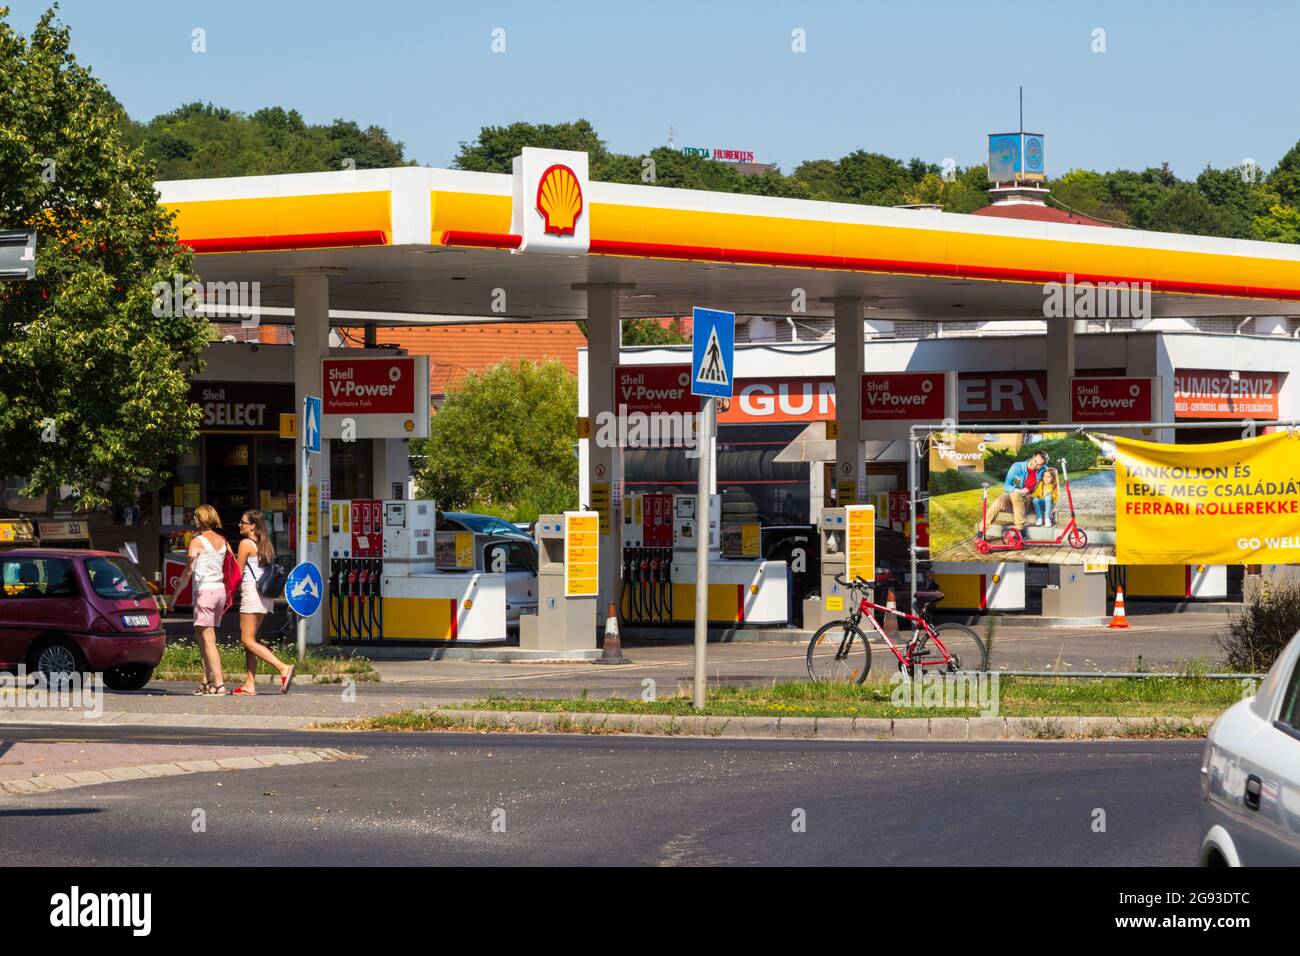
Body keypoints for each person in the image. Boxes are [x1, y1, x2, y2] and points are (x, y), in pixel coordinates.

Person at [231, 510, 295, 695]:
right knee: (251, 640)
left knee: (247, 639)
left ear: (253, 526)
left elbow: (237, 572)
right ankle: (249, 683)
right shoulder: (266, 545)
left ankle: (283, 668)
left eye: (243, 522)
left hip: (252, 592)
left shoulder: (245, 543)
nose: (240, 525)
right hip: (265, 596)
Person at [170, 504, 229, 695]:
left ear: (201, 519)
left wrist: (175, 597)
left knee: (208, 639)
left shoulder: (197, 541)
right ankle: (205, 680)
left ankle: (219, 683)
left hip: (206, 592)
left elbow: (188, 571)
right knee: (199, 634)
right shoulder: (222, 540)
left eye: (196, 517)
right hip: (220, 591)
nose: (194, 520)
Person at [977, 451, 1048, 537]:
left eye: (1039, 464)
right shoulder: (1017, 467)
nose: (1036, 465)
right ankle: (981, 531)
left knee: (1015, 494)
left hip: (1028, 501)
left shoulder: (1044, 470)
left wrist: (1048, 506)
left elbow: (1050, 487)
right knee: (1001, 499)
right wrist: (1018, 490)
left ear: (1042, 465)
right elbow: (1006, 486)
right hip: (1014, 497)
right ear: (1033, 457)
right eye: (1035, 461)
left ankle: (1020, 529)